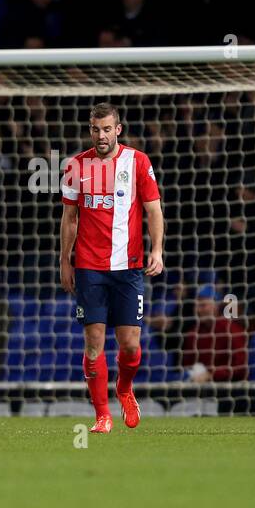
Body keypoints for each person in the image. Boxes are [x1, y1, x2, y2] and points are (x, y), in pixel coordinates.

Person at [59, 102, 165, 432]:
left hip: (129, 267)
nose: (101, 135)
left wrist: (157, 250)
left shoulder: (138, 162)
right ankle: (102, 415)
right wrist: (65, 259)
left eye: (107, 129)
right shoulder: (76, 166)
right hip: (90, 267)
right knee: (94, 344)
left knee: (131, 345)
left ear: (118, 129)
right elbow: (70, 218)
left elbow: (153, 210)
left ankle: (124, 388)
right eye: (95, 129)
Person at [181, 285, 248, 382]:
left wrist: (210, 375)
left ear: (216, 305)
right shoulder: (193, 334)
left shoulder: (232, 330)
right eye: (195, 306)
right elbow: (187, 364)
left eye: (203, 305)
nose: (198, 310)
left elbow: (240, 367)